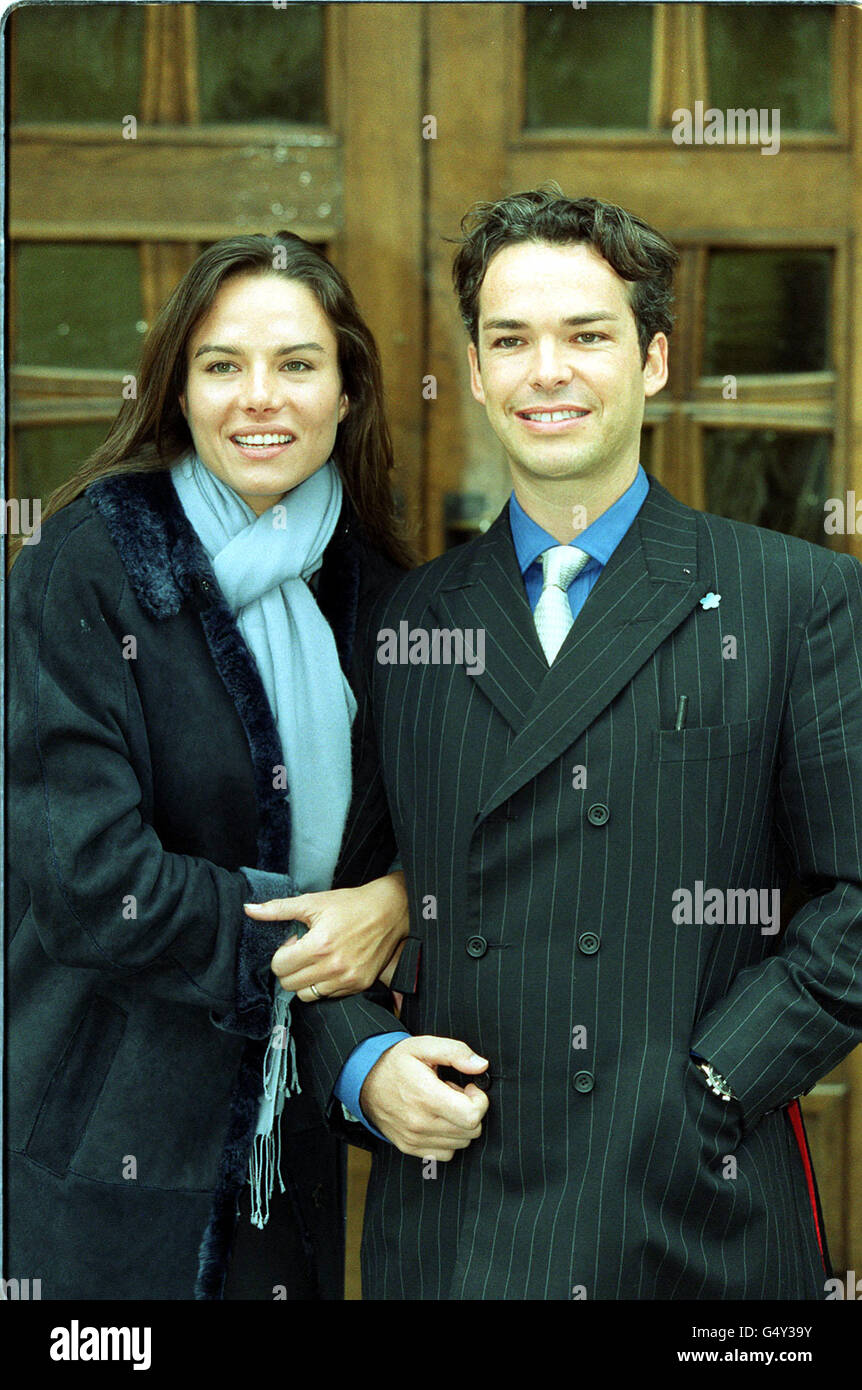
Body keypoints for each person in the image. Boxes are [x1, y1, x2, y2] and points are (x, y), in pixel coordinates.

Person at [272, 190, 862, 1300]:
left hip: (695, 1219)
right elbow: (333, 903)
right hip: (459, 1216)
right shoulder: (406, 622)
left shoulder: (801, 600)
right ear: (478, 373)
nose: (547, 371)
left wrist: (715, 1079)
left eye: (586, 336)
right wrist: (363, 1064)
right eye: (511, 341)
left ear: (652, 360)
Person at [5, 231, 412, 1300]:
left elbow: (431, 834)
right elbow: (90, 883)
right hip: (105, 1142)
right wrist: (316, 923)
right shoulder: (87, 563)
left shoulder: (379, 593)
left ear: (348, 390)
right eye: (221, 364)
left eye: (296, 363)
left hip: (289, 1148)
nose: (258, 398)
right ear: (177, 390)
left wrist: (396, 898)